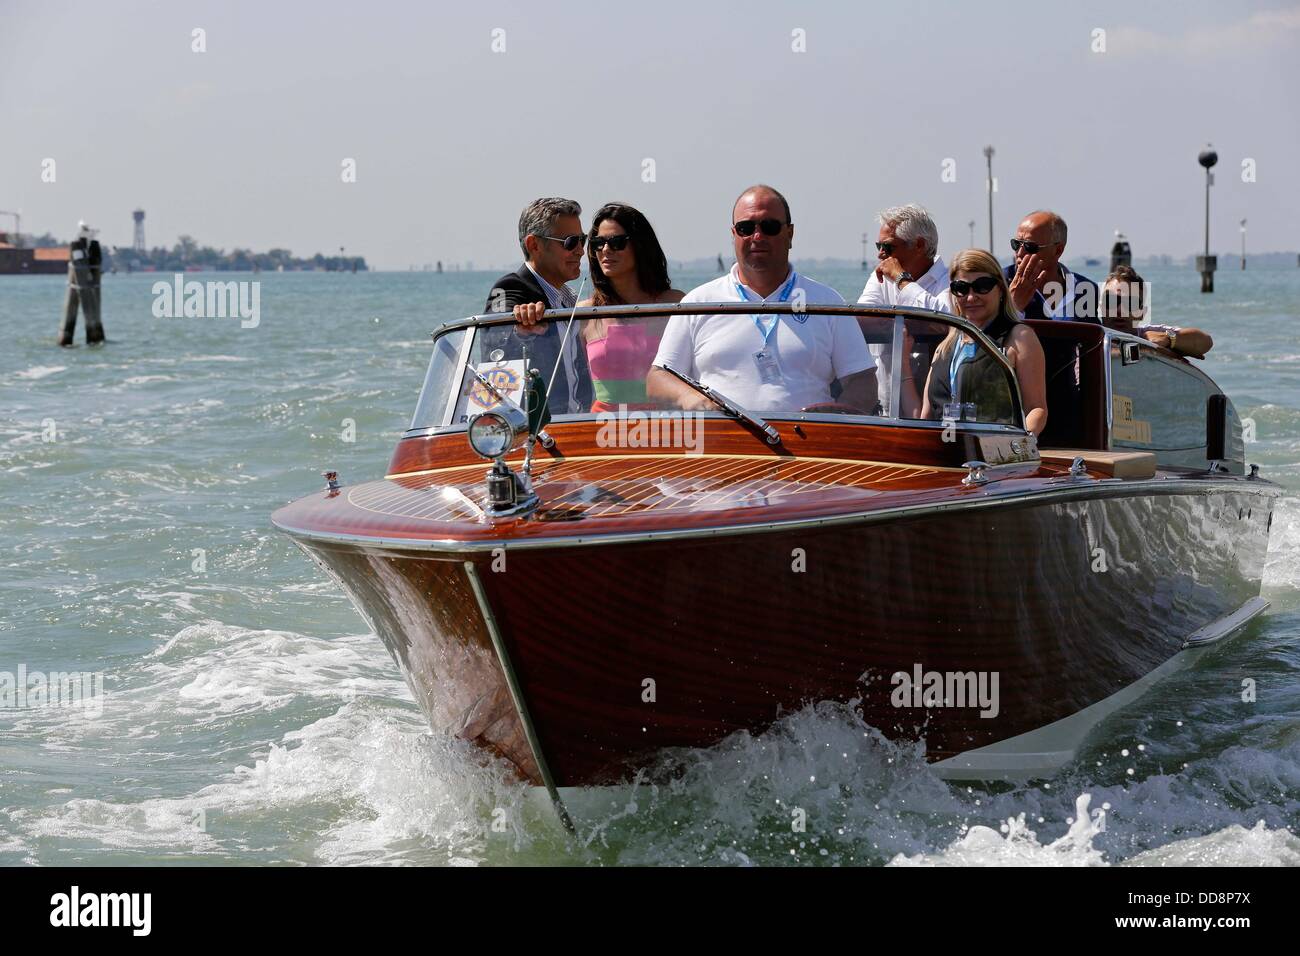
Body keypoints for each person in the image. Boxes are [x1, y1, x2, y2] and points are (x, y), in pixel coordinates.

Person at [648, 184, 875, 414]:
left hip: (807, 442)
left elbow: (862, 380)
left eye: (770, 227)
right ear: (733, 234)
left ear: (790, 234)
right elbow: (658, 378)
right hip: (721, 442)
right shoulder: (697, 303)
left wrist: (839, 420)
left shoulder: (827, 302)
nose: (757, 236)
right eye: (746, 227)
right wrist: (691, 397)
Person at [513, 203, 683, 412]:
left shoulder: (676, 306)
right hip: (599, 432)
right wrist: (523, 326)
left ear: (641, 246)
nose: (605, 250)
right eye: (598, 243)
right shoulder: (584, 313)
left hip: (665, 428)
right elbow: (562, 376)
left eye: (617, 242)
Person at [483, 197, 594, 414]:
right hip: (538, 432)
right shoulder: (509, 287)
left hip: (578, 425)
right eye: (570, 242)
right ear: (534, 245)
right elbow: (494, 340)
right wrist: (520, 331)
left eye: (582, 239)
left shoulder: (568, 296)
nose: (581, 250)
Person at [922, 249, 1048, 435]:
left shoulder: (1020, 338)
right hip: (944, 453)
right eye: (961, 288)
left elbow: (1036, 409)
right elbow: (926, 414)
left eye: (982, 286)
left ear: (1001, 289)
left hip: (994, 454)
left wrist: (1016, 446)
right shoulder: (945, 346)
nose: (971, 297)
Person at [857, 204, 952, 416]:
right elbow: (861, 317)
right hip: (884, 401)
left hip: (934, 408)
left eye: (888, 247)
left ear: (919, 245)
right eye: (878, 246)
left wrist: (902, 281)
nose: (881, 254)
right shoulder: (880, 277)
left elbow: (946, 319)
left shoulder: (951, 280)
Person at [1005, 210, 1100, 324]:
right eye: (1016, 244)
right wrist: (1013, 305)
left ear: (1058, 250)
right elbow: (985, 336)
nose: (1019, 253)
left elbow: (1095, 337)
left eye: (1030, 246)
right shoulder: (997, 284)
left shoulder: (1085, 289)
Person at [1101, 265, 1213, 358]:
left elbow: (1205, 342)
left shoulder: (1148, 336)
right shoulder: (1087, 333)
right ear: (1101, 307)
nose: (1120, 310)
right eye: (1111, 301)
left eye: (1131, 303)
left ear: (1141, 313)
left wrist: (1169, 339)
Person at [58, 220, 105, 347]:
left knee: (82, 286)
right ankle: (94, 337)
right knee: (80, 285)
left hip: (85, 268)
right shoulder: (78, 246)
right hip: (82, 270)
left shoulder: (84, 245)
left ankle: (91, 336)